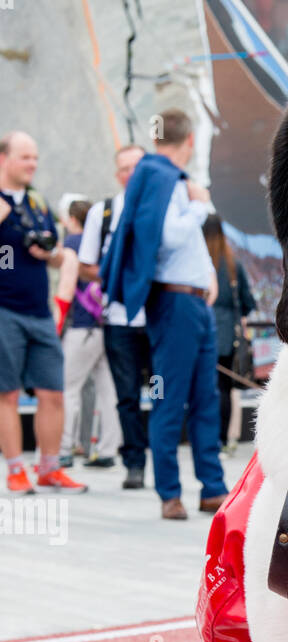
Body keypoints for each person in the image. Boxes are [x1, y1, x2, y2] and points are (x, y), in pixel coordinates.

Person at [101, 109, 227, 519]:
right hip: (173, 305)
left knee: (203, 398)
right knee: (168, 397)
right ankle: (169, 492)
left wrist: (207, 274)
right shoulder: (165, 178)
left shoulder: (156, 176)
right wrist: (199, 206)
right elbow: (170, 235)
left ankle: (212, 488)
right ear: (189, 140)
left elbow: (181, 244)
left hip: (191, 302)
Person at [0, 131, 86, 495]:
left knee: (53, 392)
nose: (32, 164)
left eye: (35, 158)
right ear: (4, 159)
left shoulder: (36, 202)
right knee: (8, 393)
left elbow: (55, 254)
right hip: (4, 309)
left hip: (39, 311)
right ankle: (16, 470)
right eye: (25, 158)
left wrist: (48, 254)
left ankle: (49, 468)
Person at [79, 144, 152, 489]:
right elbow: (85, 264)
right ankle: (134, 462)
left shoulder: (162, 207)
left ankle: (163, 457)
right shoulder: (103, 212)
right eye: (123, 168)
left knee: (163, 391)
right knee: (126, 394)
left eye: (136, 167)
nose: (130, 174)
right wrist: (114, 275)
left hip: (158, 317)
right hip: (120, 318)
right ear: (116, 174)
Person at [57, 198, 121, 470]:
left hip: (81, 328)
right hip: (108, 326)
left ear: (72, 219)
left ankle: (63, 449)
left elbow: (66, 287)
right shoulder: (105, 244)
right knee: (109, 393)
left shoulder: (72, 243)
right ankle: (108, 449)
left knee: (68, 389)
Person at [203, 213, 255, 448]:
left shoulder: (200, 262)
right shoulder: (234, 264)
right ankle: (223, 439)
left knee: (204, 386)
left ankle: (205, 438)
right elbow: (247, 303)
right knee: (224, 388)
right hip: (227, 333)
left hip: (202, 329)